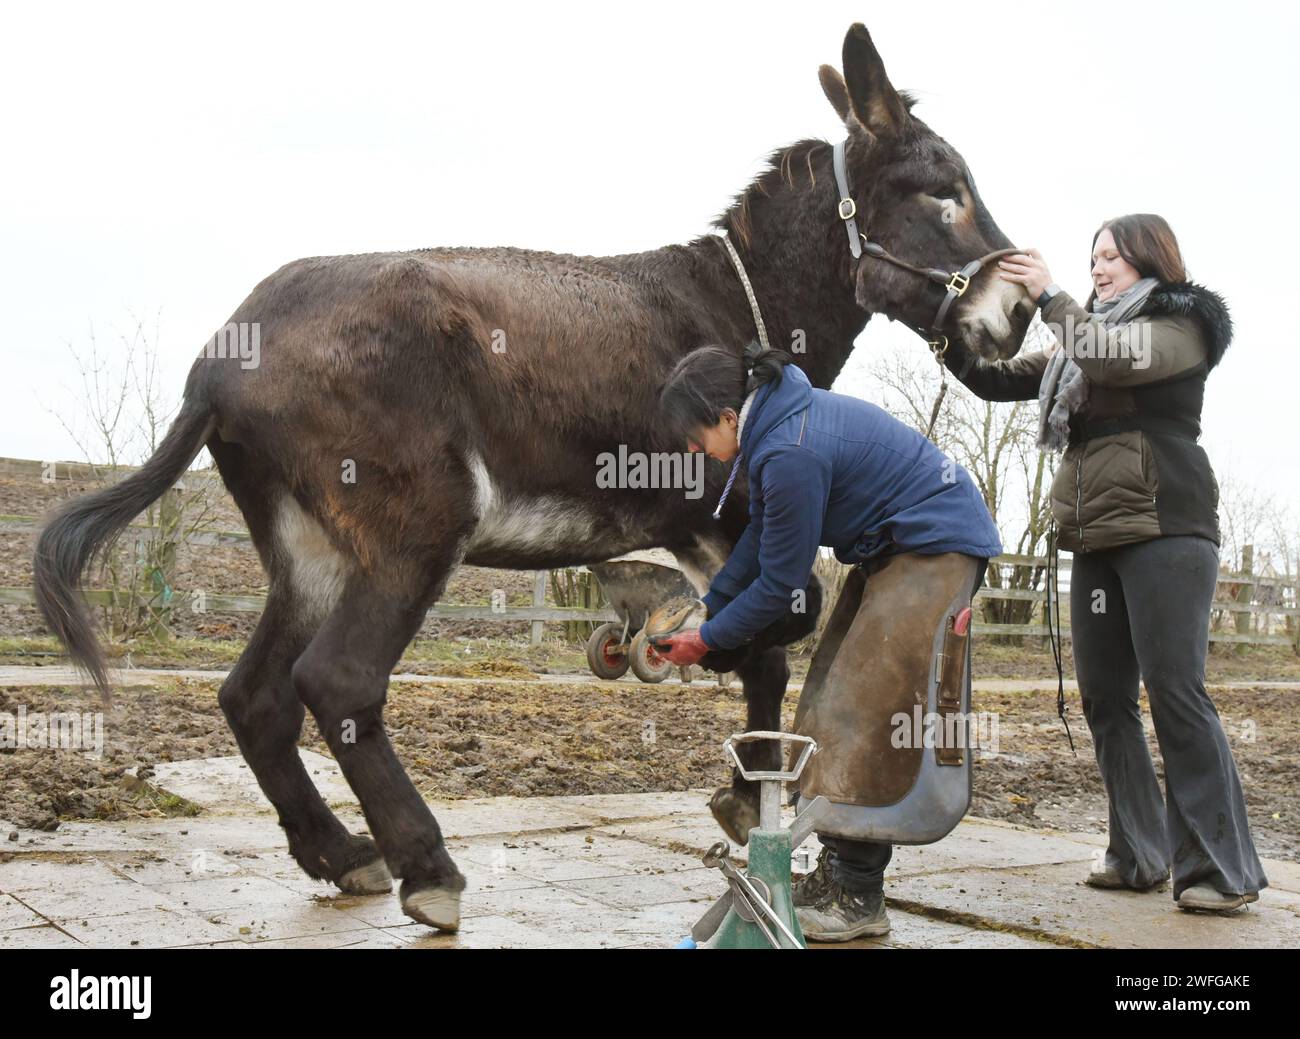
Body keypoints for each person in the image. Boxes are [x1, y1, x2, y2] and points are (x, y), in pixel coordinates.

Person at [946, 213, 1266, 913]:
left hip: (1167, 529)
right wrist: (947, 330)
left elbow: (1114, 359)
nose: (1099, 266)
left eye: (1113, 256)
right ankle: (1137, 851)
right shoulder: (1074, 346)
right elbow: (996, 378)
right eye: (1093, 255)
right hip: (1094, 539)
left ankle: (1220, 868)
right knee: (1104, 699)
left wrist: (1054, 295)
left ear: (1151, 259)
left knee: (1176, 692)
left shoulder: (1181, 325)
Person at [656, 343, 1002, 941]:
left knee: (864, 712)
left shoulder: (790, 450)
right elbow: (759, 544)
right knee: (825, 703)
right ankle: (841, 873)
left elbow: (778, 587)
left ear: (728, 417)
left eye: (694, 437)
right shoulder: (775, 434)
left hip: (935, 547)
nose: (693, 451)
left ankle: (858, 895)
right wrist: (706, 607)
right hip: (890, 551)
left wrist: (706, 640)